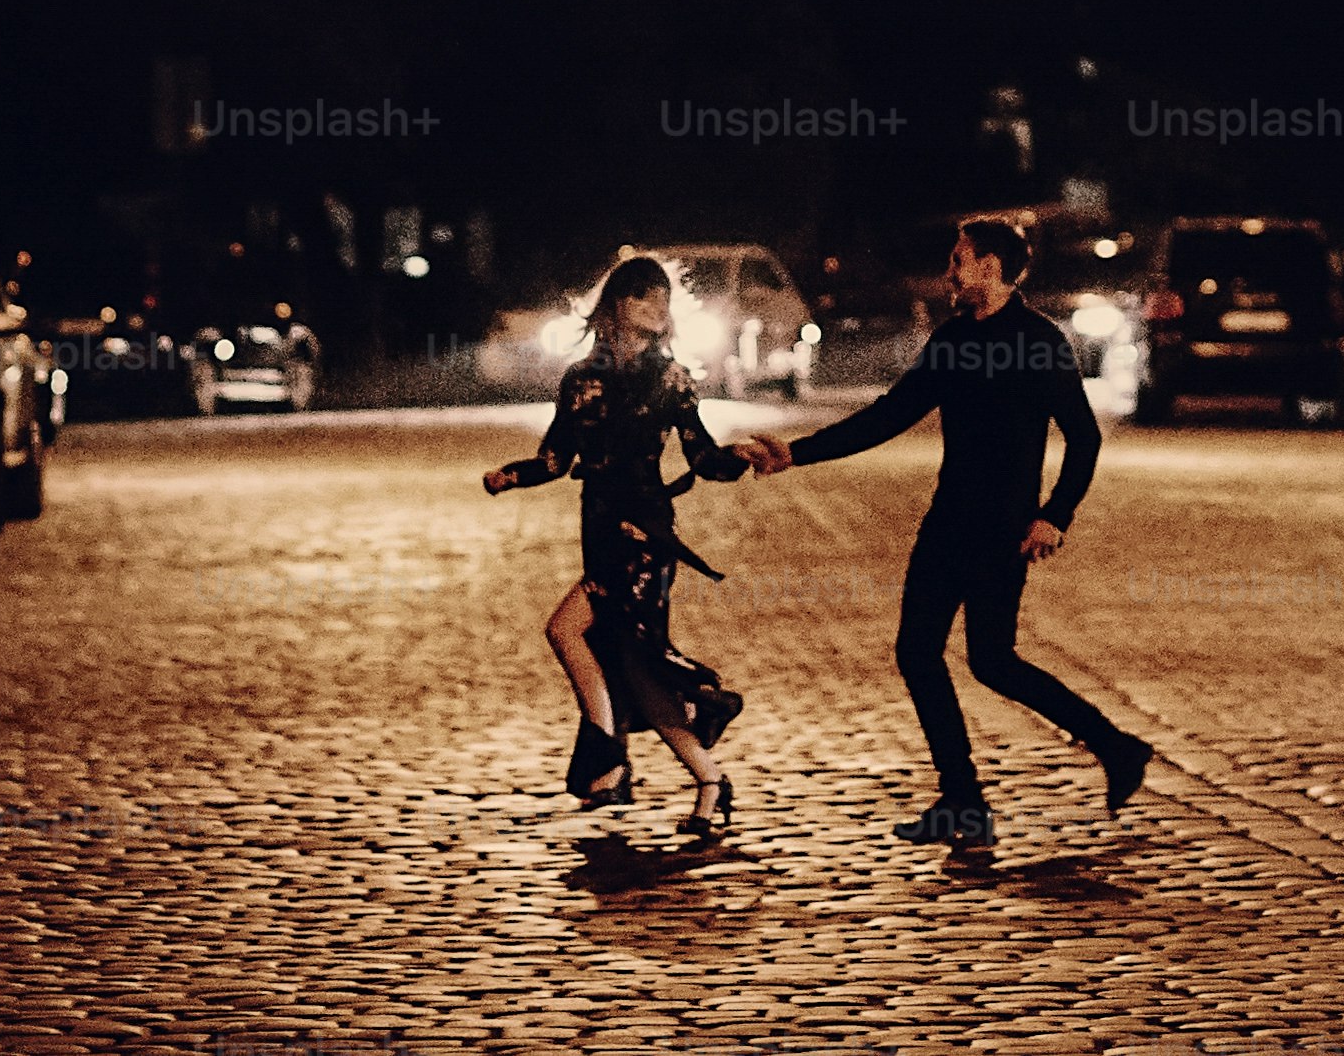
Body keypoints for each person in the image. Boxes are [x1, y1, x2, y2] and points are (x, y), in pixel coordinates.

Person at [739, 217, 1152, 849]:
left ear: (990, 266)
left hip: (1004, 528)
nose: (949, 272)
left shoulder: (1040, 342)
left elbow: (1085, 437)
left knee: (992, 661)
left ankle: (1107, 748)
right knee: (921, 652)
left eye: (959, 260)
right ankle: (973, 797)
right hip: (947, 520)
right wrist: (797, 454)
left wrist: (1054, 516)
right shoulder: (953, 339)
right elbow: (891, 414)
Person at [480, 257, 745, 834]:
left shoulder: (671, 379)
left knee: (568, 629)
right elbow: (555, 461)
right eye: (646, 298)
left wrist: (743, 459)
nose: (658, 310)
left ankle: (610, 759)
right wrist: (510, 475)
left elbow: (702, 457)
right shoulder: (580, 380)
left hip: (645, 535)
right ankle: (707, 782)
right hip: (599, 529)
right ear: (618, 303)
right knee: (641, 670)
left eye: (663, 300)